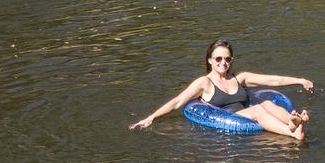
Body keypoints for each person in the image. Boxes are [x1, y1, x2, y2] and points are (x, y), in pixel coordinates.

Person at [130, 39, 313, 140]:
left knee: (266, 103)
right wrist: (151, 117)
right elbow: (178, 101)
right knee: (259, 109)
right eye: (218, 59)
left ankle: (292, 121)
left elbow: (273, 79)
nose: (223, 63)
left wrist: (300, 80)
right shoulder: (204, 83)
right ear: (210, 60)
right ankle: (292, 132)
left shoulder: (239, 78)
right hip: (233, 118)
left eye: (227, 59)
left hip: (249, 114)